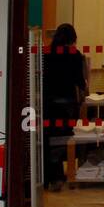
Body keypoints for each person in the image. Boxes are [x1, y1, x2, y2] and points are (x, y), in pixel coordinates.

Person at [42, 24, 88, 191]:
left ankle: (54, 175)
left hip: (48, 105)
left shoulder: (45, 53)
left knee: (50, 137)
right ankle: (70, 173)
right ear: (72, 38)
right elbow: (79, 81)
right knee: (70, 137)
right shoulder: (74, 55)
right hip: (67, 105)